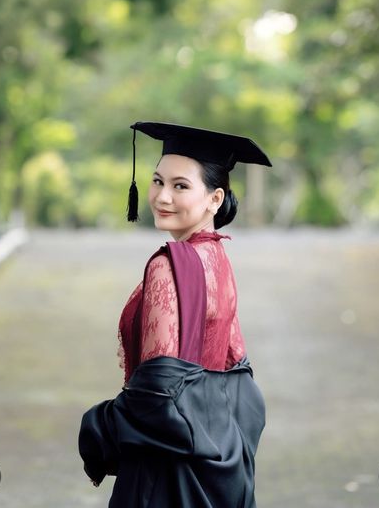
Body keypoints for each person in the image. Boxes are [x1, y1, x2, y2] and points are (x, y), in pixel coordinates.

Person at [78, 121, 272, 507]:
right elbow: (238, 376)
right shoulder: (218, 257)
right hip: (218, 462)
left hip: (165, 474)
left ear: (215, 199)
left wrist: (97, 427)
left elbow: (156, 394)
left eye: (180, 186)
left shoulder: (169, 265)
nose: (162, 196)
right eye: (157, 181)